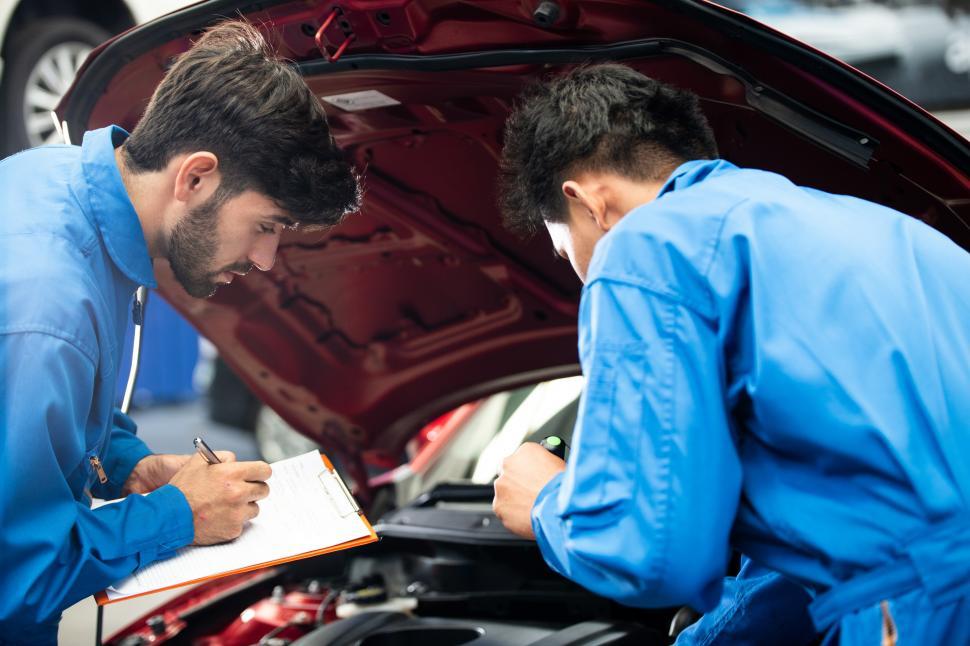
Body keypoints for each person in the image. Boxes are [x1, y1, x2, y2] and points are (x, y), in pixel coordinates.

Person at [491, 64, 970, 645]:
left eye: (564, 249)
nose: (580, 274)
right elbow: (808, 558)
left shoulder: (646, 247)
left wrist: (546, 502)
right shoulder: (891, 231)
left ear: (588, 202)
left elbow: (653, 555)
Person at [0, 20, 360, 645]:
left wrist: (132, 468)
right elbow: (14, 576)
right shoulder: (50, 307)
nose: (268, 260)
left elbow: (48, 417)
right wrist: (177, 514)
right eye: (267, 225)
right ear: (194, 178)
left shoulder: (55, 185)